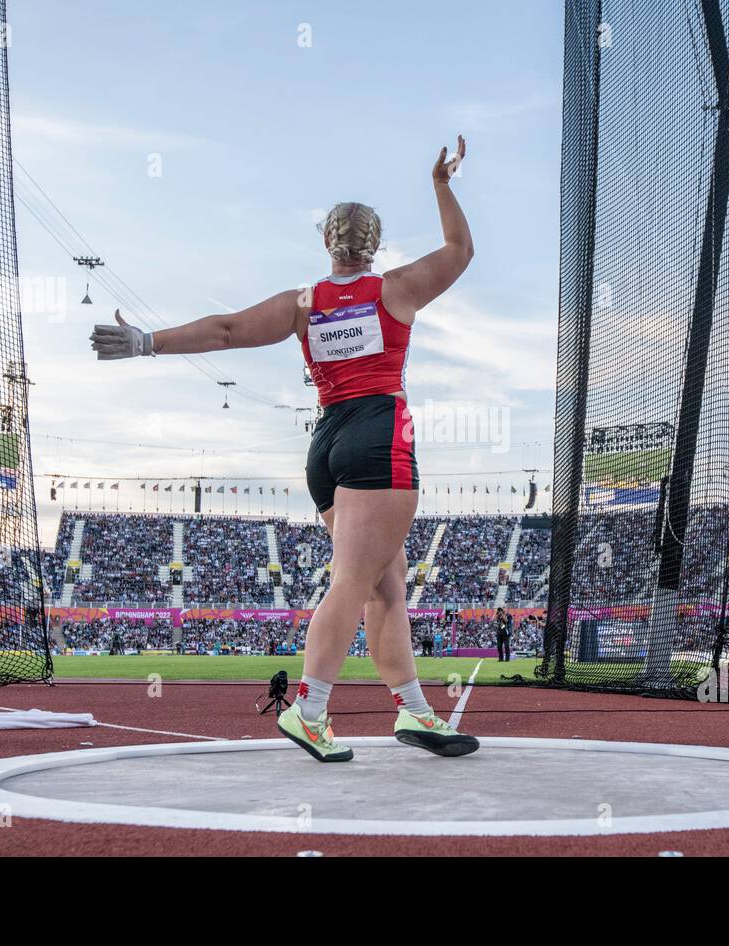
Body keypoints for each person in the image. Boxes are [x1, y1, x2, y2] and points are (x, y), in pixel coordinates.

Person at [91, 137, 478, 763]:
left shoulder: (306, 303)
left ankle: (414, 709)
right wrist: (441, 184)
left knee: (387, 586)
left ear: (327, 242)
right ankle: (311, 707)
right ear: (373, 245)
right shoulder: (394, 289)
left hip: (326, 445)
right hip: (379, 435)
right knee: (356, 581)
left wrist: (146, 342)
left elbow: (226, 330)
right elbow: (461, 250)